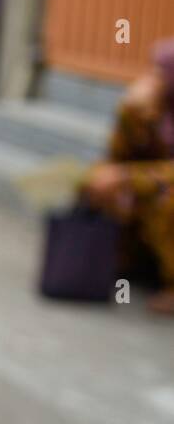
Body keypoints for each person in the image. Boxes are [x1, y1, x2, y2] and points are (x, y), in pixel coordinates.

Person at [82, 37, 174, 314]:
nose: (154, 77)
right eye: (154, 69)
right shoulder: (148, 108)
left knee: (168, 202)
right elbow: (116, 155)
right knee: (96, 180)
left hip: (163, 189)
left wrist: (125, 177)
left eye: (163, 71)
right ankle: (121, 260)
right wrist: (133, 114)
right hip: (147, 182)